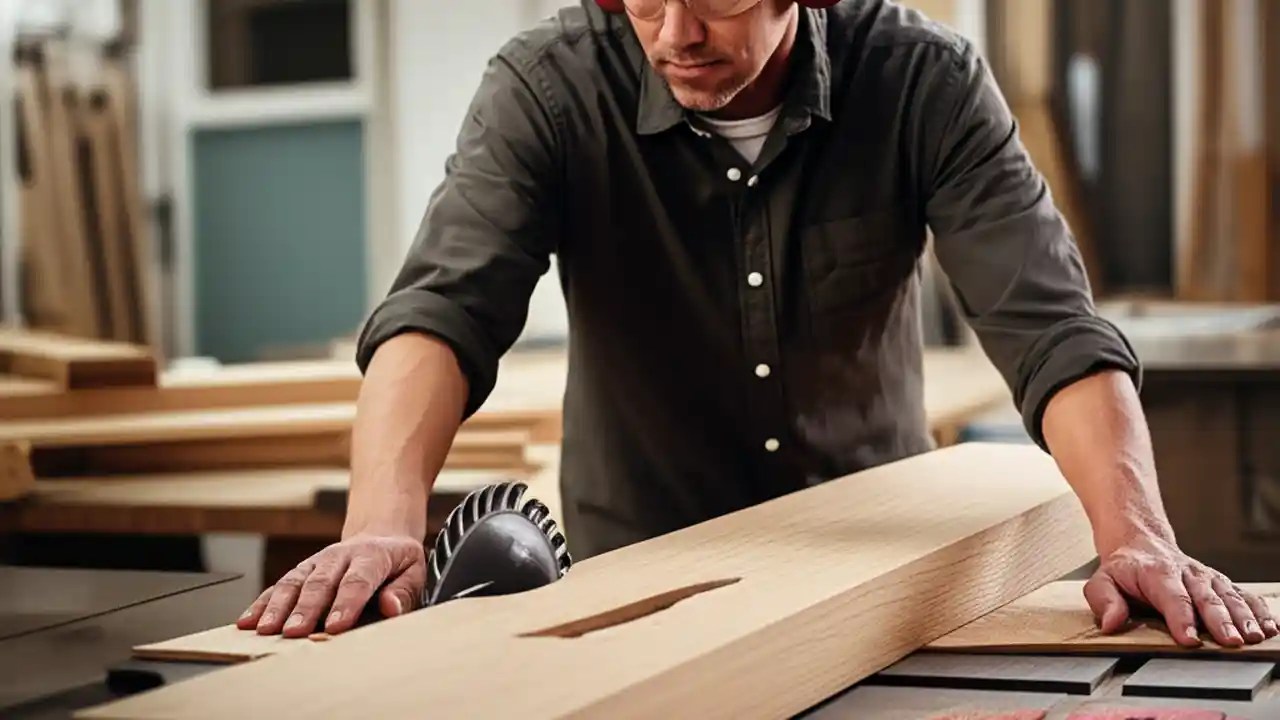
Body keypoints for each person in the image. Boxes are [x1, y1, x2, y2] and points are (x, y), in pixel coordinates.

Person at [238, 0, 1276, 648]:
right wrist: (380, 520)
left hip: (877, 591)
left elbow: (1048, 327)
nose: (677, 34)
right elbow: (439, 310)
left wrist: (1134, 536)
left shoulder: (922, 82)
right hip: (632, 597)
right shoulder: (545, 93)